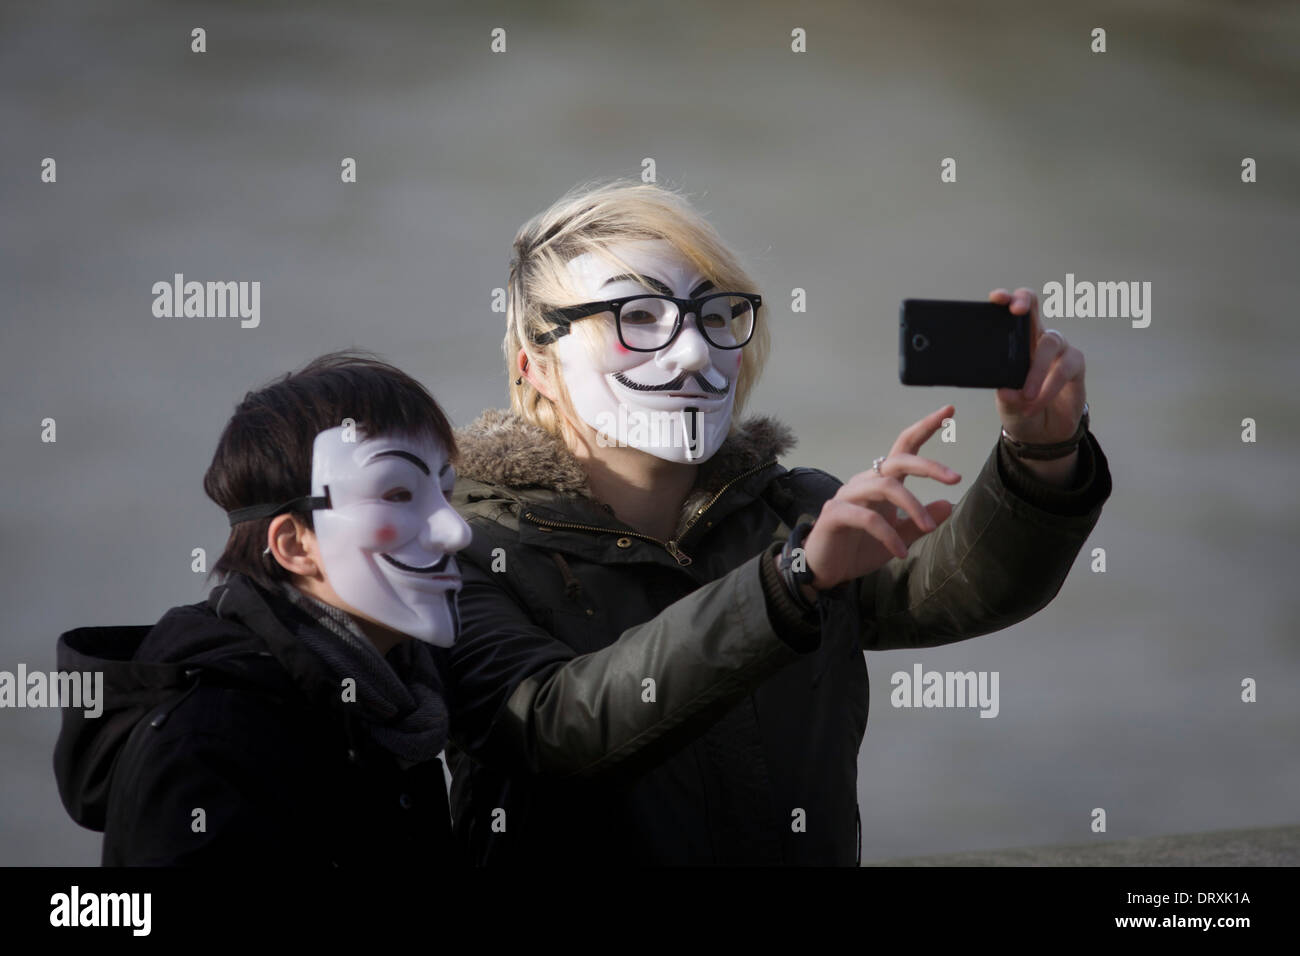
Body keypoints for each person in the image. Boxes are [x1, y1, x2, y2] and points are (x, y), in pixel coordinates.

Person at [442, 179, 1113, 865]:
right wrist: (790, 582)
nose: (693, 354)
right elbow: (552, 727)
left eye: (716, 316)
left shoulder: (790, 514)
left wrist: (1042, 452)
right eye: (638, 316)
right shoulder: (464, 551)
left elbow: (962, 589)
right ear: (538, 365)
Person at [53, 351, 472, 865]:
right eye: (398, 493)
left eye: (447, 493)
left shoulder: (392, 702)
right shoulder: (207, 746)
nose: (456, 530)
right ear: (295, 544)